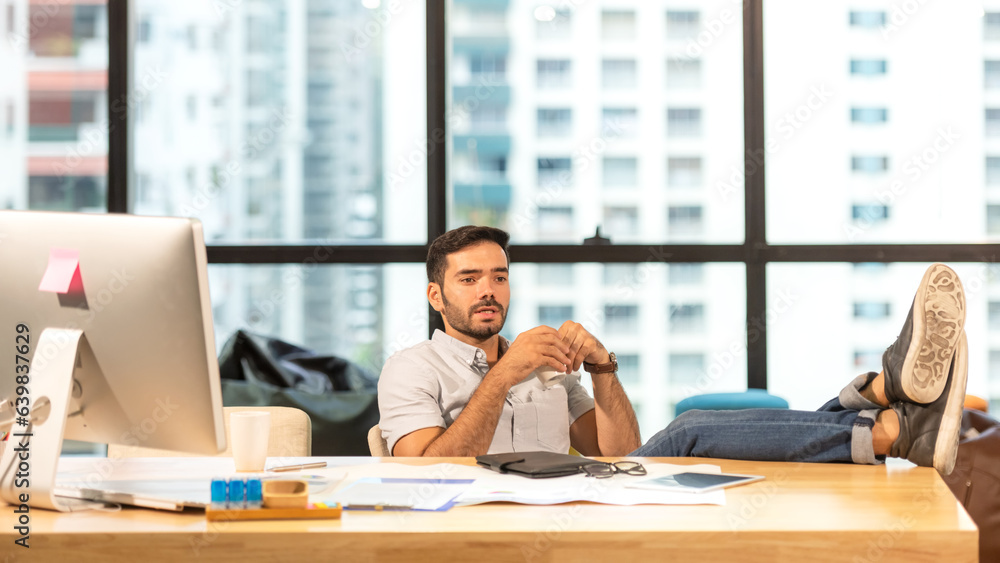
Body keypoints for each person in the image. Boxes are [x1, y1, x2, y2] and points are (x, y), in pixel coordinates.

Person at [378, 226, 969, 475]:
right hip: (499, 512)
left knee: (695, 428)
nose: (488, 290)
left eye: (499, 276)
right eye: (469, 279)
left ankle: (886, 404)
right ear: (436, 295)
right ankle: (887, 417)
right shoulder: (411, 369)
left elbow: (619, 452)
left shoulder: (543, 364)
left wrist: (602, 369)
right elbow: (422, 472)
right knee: (691, 430)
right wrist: (503, 375)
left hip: (577, 496)